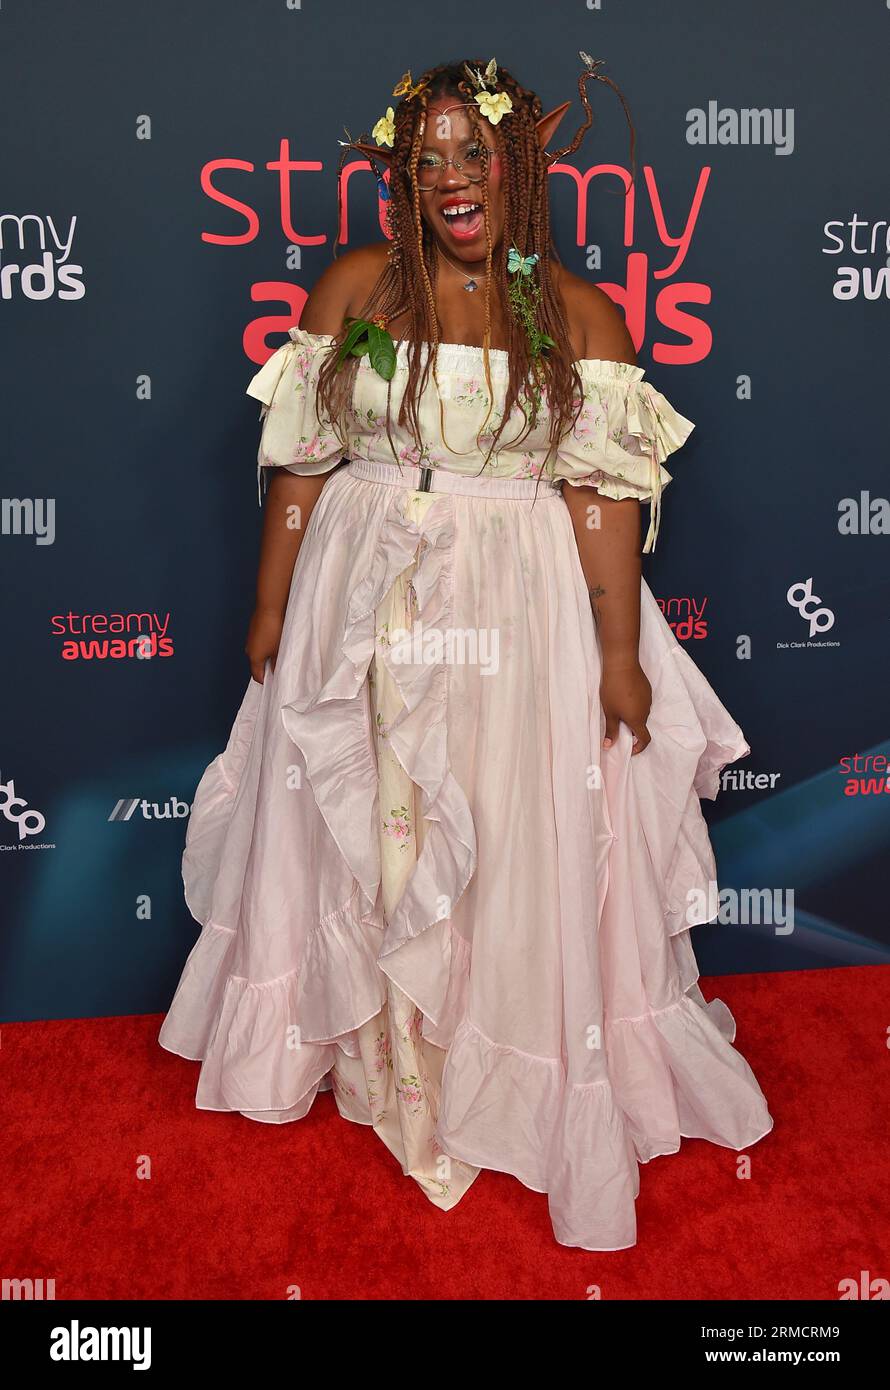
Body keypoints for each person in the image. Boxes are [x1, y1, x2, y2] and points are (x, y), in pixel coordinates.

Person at [159, 55, 772, 1251]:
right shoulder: (354, 289)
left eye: (470, 153)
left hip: (514, 614)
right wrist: (272, 603)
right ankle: (388, 1063)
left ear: (515, 167)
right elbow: (299, 464)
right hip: (363, 597)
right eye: (425, 158)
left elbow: (600, 499)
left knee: (493, 828)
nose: (450, 178)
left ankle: (486, 1066)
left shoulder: (577, 317)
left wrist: (615, 652)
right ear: (403, 177)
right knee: (376, 828)